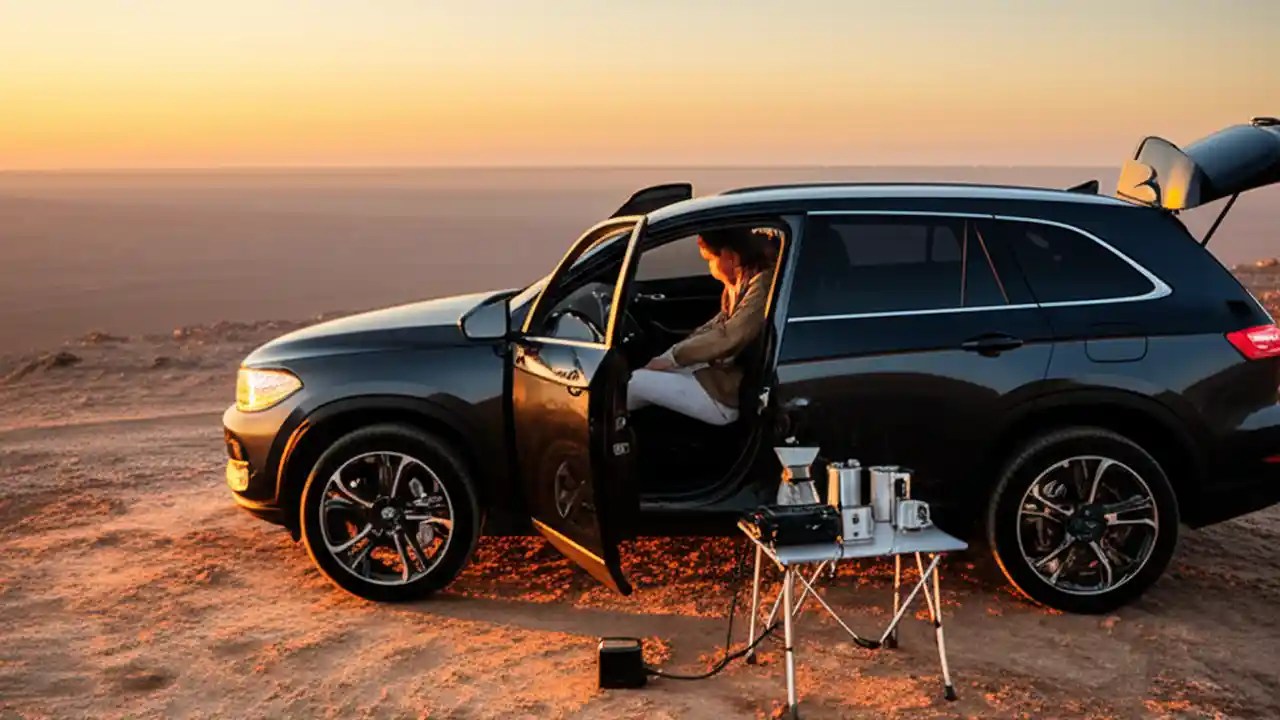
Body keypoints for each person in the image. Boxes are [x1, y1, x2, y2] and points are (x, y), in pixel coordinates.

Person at [627, 227, 776, 425]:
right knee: (650, 375)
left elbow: (728, 335)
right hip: (719, 376)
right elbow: (714, 326)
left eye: (710, 260)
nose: (710, 267)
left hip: (728, 392)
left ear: (729, 256)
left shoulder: (761, 286)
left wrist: (674, 357)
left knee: (632, 383)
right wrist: (668, 357)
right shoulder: (737, 285)